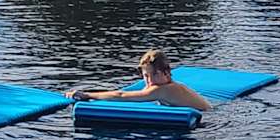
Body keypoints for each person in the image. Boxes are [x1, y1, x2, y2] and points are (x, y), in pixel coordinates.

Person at [69, 49, 211, 112]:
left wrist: (87, 95)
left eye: (153, 75)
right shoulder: (168, 86)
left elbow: (121, 95)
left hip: (207, 121)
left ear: (166, 73)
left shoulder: (164, 89)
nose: (149, 81)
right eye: (145, 76)